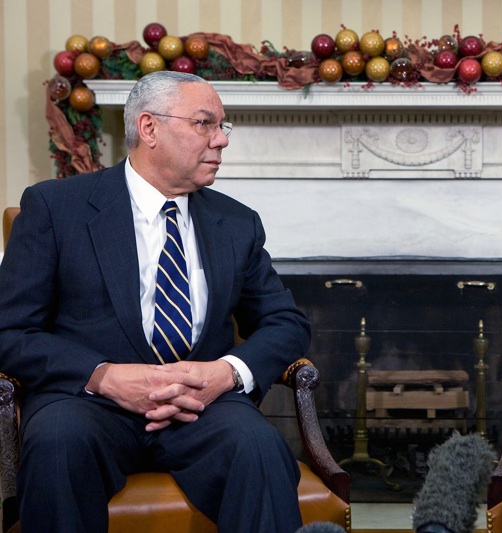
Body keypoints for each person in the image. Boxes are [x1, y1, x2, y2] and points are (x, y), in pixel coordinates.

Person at [0, 71, 311, 532]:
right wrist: (103, 376)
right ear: (149, 129)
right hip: (87, 403)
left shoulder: (237, 222)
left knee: (259, 447)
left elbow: (285, 322)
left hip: (201, 406)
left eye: (224, 126)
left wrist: (224, 373)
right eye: (205, 123)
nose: (222, 140)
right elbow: (10, 330)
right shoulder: (55, 207)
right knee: (57, 444)